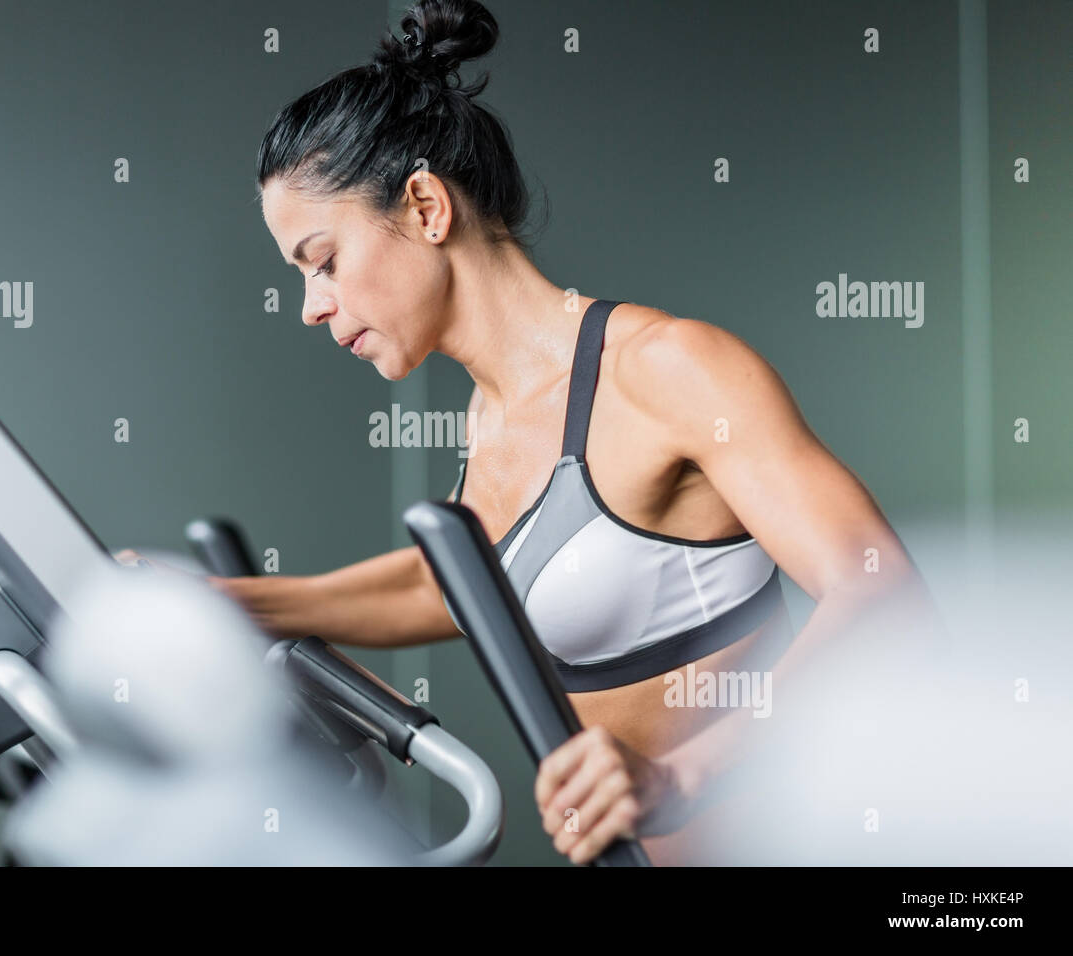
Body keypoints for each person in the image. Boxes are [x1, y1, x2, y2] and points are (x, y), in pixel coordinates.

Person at [171, 0, 940, 865]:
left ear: (426, 205)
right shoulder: (492, 410)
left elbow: (884, 597)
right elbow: (458, 586)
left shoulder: (665, 367)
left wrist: (677, 779)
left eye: (323, 262)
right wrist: (238, 608)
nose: (312, 307)